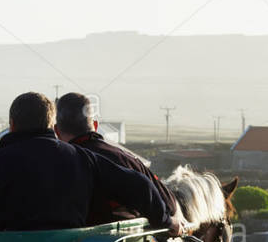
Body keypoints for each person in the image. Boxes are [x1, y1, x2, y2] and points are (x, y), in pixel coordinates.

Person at [0, 92, 182, 240]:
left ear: (12, 125)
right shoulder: (81, 158)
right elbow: (140, 186)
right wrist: (165, 220)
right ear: (52, 126)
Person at [53, 92, 180, 225]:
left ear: (57, 131)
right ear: (95, 126)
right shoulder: (127, 159)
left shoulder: (53, 166)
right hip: (123, 241)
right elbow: (170, 205)